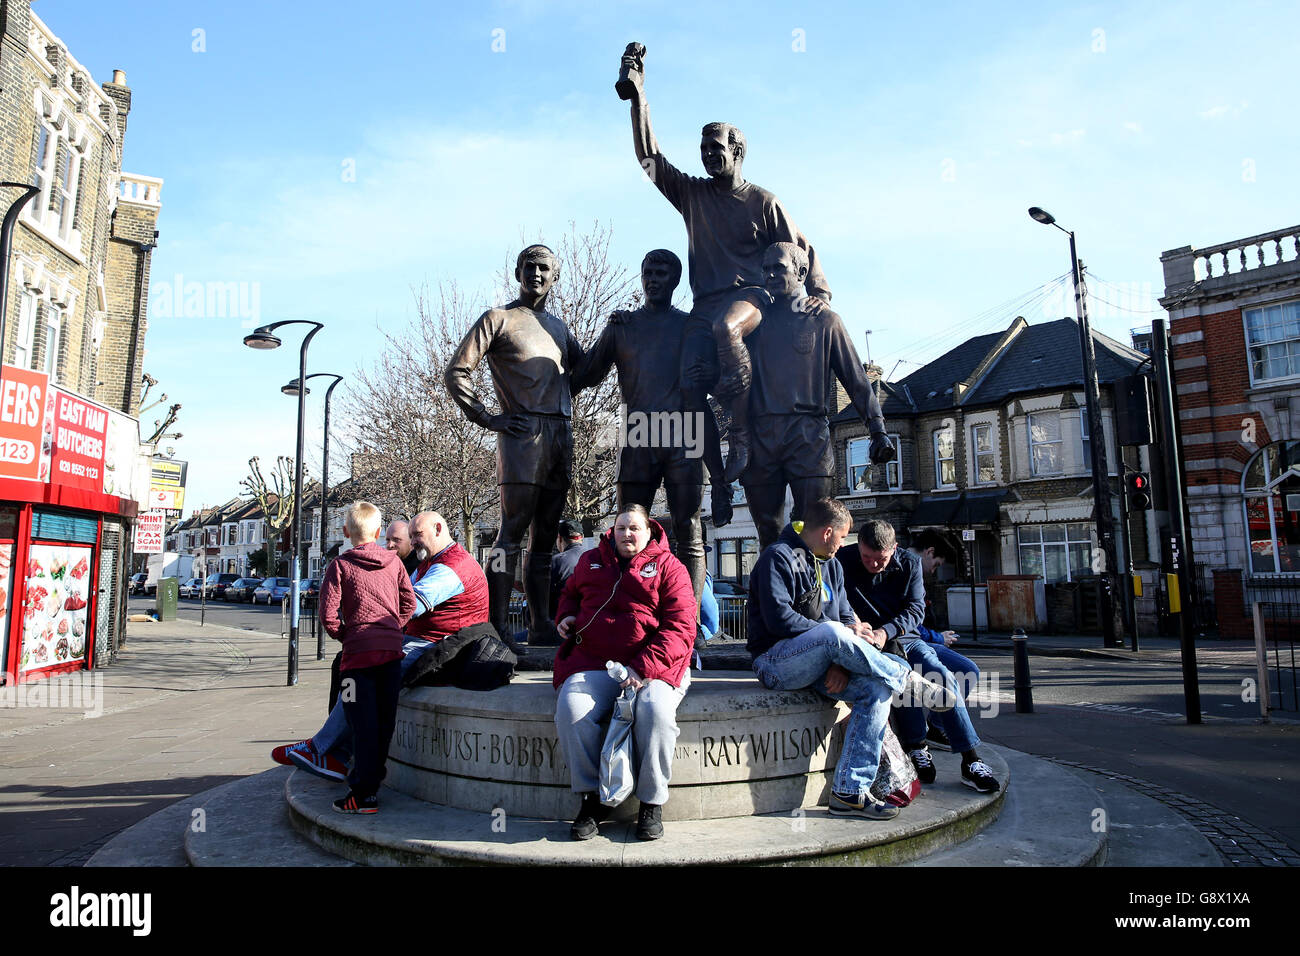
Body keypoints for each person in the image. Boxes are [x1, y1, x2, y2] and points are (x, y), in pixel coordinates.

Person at [746, 498, 956, 820]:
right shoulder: (778, 557)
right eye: (843, 537)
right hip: (775, 663)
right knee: (833, 633)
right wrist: (834, 640)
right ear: (828, 532)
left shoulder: (831, 565)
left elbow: (846, 617)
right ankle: (905, 678)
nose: (843, 544)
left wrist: (841, 660)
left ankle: (849, 791)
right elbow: (780, 621)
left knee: (876, 691)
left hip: (819, 663)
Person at [270, 510, 490, 779]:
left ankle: (325, 750)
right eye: (411, 537)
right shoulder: (432, 561)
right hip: (426, 641)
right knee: (350, 664)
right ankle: (334, 753)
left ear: (438, 528)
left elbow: (410, 606)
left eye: (417, 535)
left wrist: (370, 627)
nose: (414, 542)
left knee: (368, 669)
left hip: (444, 647)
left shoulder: (450, 567)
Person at [572, 249, 732, 606]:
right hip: (638, 434)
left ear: (675, 281)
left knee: (689, 529)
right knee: (626, 530)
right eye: (648, 272)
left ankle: (686, 622)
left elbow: (719, 385)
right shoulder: (623, 327)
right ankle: (627, 609)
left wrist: (720, 477)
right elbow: (585, 374)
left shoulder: (693, 326)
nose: (654, 279)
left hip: (684, 433)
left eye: (662, 273)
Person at [445, 244, 583, 646]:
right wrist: (488, 418)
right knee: (512, 534)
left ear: (555, 277)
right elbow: (457, 372)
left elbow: (586, 369)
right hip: (522, 436)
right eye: (530, 267)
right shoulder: (498, 318)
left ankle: (541, 624)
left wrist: (619, 335)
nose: (536, 274)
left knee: (544, 539)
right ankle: (498, 625)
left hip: (561, 434)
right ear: (518, 271)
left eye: (544, 268)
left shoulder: (558, 327)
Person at [553, 504, 696, 842]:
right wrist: (566, 616)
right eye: (621, 528)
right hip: (594, 662)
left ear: (649, 532)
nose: (627, 534)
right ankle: (592, 799)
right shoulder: (590, 561)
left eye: (634, 528)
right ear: (611, 531)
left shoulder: (670, 567)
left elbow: (681, 628)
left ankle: (651, 800)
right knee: (572, 710)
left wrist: (642, 668)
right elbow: (569, 594)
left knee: (655, 712)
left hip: (656, 668)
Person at [737, 242, 893, 551]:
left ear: (802, 271)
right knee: (767, 528)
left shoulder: (824, 320)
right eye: (765, 269)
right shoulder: (753, 321)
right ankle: (772, 594)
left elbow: (856, 379)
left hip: (809, 435)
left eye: (777, 268)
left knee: (813, 525)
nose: (769, 275)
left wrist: (877, 429)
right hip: (762, 434)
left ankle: (810, 596)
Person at [837, 520, 1000, 794]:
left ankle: (971, 760)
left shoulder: (910, 564)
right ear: (859, 546)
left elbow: (915, 611)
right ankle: (917, 747)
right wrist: (855, 626)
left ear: (895, 549)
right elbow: (834, 598)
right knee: (903, 680)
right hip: (866, 642)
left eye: (881, 559)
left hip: (903, 638)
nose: (873, 564)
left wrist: (885, 632)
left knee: (941, 675)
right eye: (867, 557)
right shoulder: (842, 560)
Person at [317, 502, 416, 813]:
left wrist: (346, 636)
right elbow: (408, 602)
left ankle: (362, 793)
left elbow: (327, 615)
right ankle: (370, 789)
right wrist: (391, 628)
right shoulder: (394, 563)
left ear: (346, 532)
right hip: (390, 654)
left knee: (361, 724)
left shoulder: (340, 566)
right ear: (377, 531)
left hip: (356, 659)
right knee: (384, 723)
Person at [550, 519, 587, 610]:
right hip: (590, 619)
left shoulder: (556, 562)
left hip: (562, 619)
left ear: (560, 538)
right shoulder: (596, 558)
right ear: (582, 537)